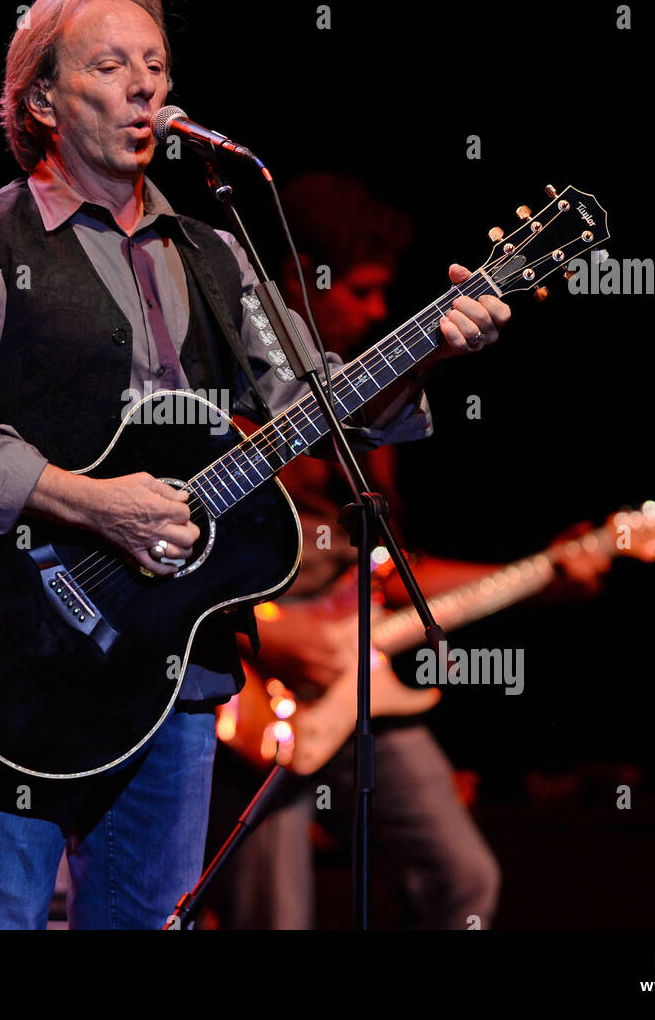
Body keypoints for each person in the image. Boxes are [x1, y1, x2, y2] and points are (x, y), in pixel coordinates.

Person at [0, 0, 510, 929]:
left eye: (156, 67)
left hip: (174, 670)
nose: (145, 88)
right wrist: (91, 503)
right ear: (43, 99)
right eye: (110, 66)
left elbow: (324, 404)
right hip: (18, 649)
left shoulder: (217, 257)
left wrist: (429, 349)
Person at [205, 172, 605, 930]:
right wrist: (272, 637)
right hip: (251, 687)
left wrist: (540, 575)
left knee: (465, 886)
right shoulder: (226, 390)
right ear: (298, 280)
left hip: (357, 683)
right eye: (357, 290)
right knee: (274, 916)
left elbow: (394, 575)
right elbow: (173, 546)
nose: (377, 311)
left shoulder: (371, 413)